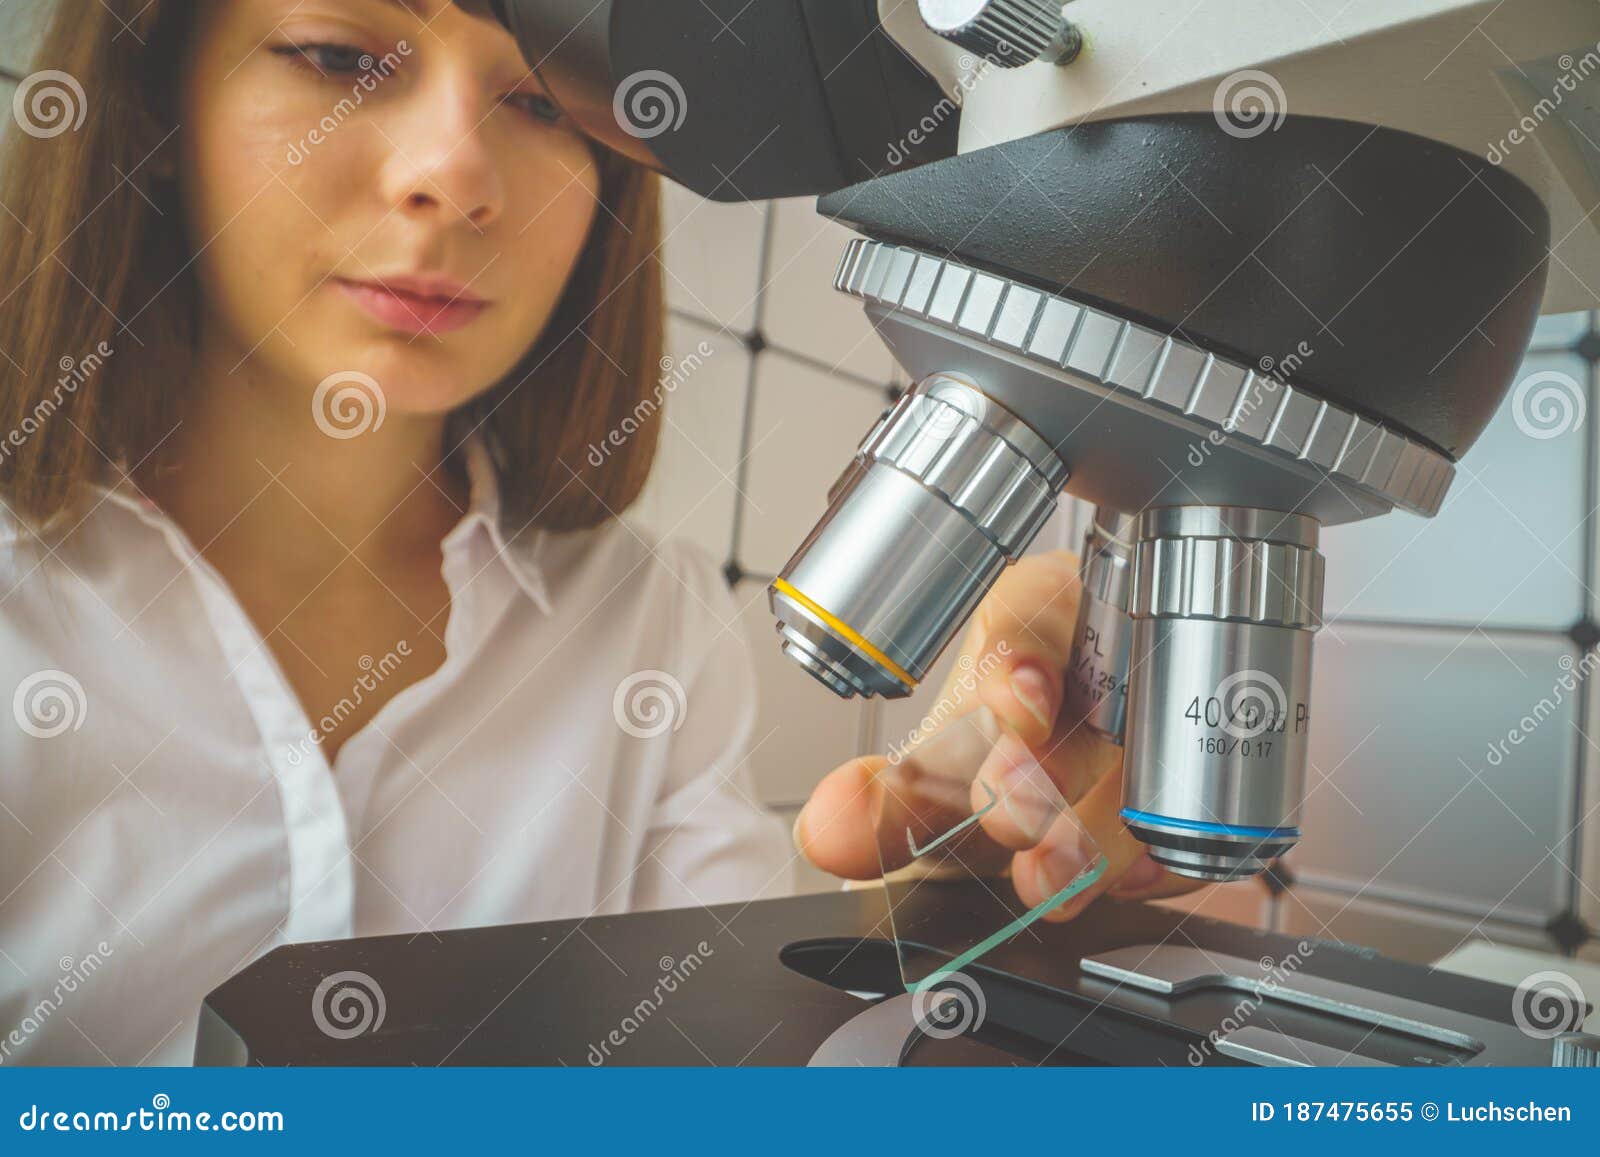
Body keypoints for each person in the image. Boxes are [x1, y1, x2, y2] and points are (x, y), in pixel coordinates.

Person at [0, 0, 1196, 1067]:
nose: (455, 176)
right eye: (338, 57)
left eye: (536, 97)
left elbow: (710, 1083)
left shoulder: (652, 633)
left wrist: (960, 917)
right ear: (155, 96)